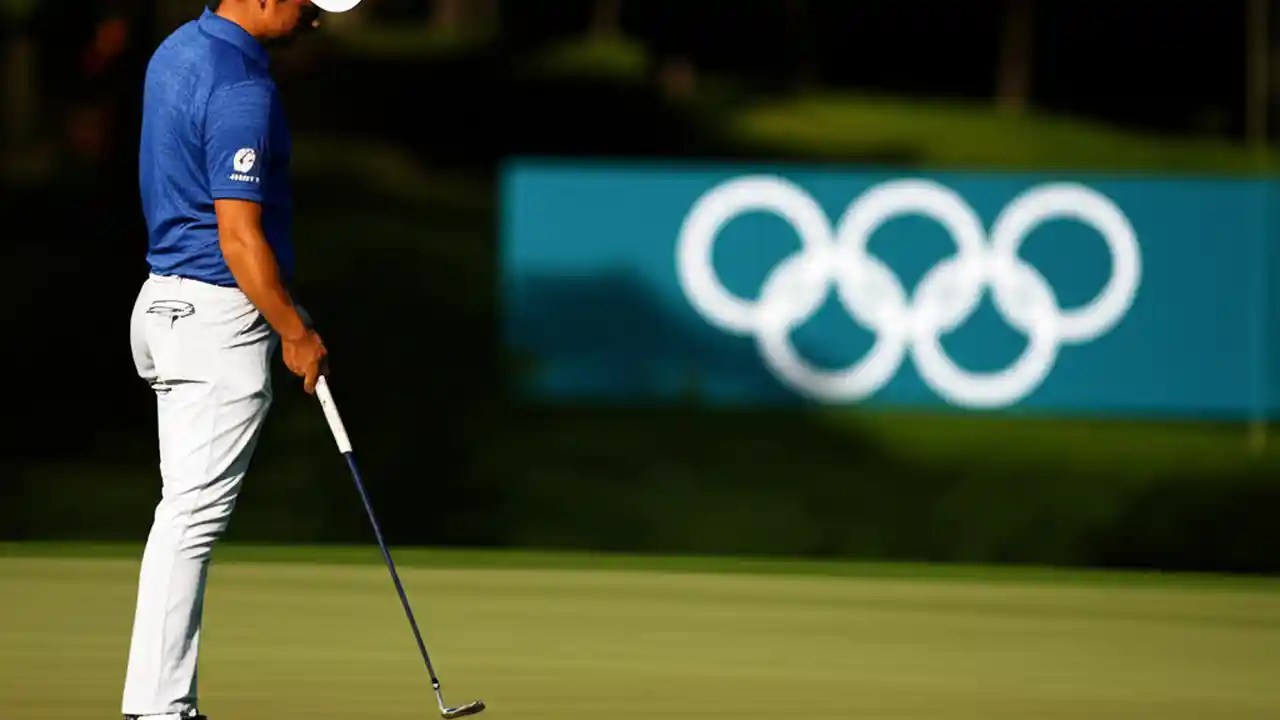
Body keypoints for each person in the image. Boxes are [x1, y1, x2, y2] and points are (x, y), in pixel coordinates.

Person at [122, 1, 359, 717]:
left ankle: (158, 704)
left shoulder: (176, 49)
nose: (315, 19)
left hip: (163, 301)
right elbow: (239, 237)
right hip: (217, 319)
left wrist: (285, 308)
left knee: (182, 513)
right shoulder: (242, 87)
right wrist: (293, 330)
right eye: (308, 5)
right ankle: (160, 708)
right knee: (190, 519)